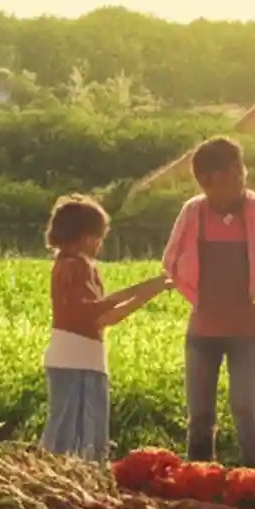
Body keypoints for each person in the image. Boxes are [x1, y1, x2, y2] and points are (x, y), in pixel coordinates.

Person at [161, 138, 255, 466]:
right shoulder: (193, 212)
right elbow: (171, 262)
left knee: (246, 410)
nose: (236, 181)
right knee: (199, 416)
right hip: (202, 331)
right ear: (206, 180)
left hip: (247, 333)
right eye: (226, 177)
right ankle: (198, 479)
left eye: (238, 173)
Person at [41, 195, 171, 462]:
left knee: (72, 436)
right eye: (98, 236)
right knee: (77, 440)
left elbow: (103, 316)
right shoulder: (76, 267)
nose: (99, 243)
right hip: (77, 360)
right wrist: (148, 288)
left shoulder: (71, 267)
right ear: (85, 236)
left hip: (79, 358)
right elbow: (96, 312)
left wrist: (149, 290)